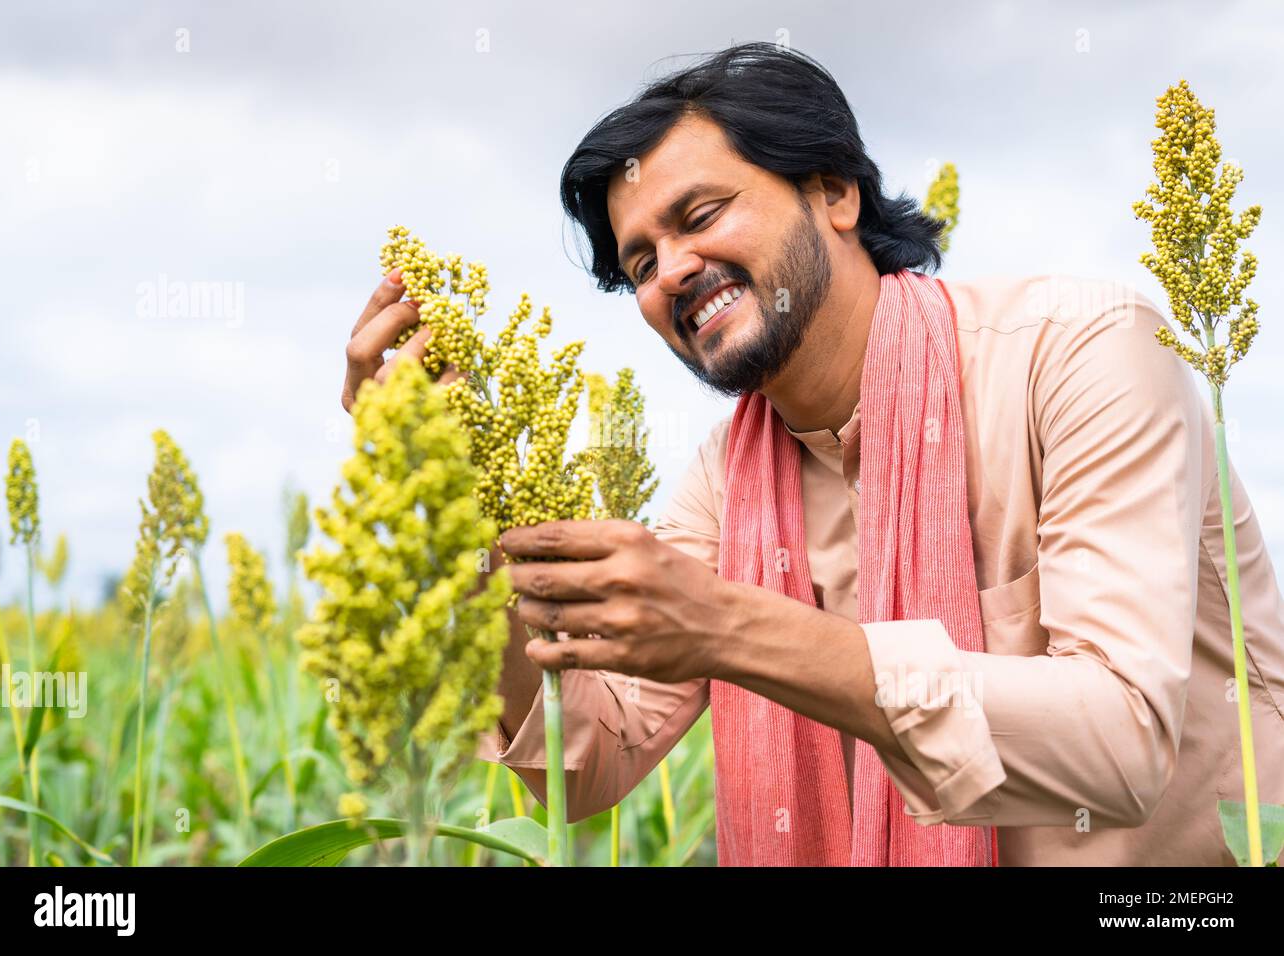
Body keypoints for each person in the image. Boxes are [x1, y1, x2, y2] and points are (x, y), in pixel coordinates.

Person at [341, 43, 1284, 866]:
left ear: (834, 191)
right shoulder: (726, 482)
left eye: (701, 213)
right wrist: (442, 499)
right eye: (639, 263)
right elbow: (586, 758)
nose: (671, 270)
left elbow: (1118, 745)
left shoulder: (1083, 354)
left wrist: (728, 628)